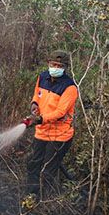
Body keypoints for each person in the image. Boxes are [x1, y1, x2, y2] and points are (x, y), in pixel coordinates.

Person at [23, 50, 78, 197]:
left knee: (48, 171)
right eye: (53, 64)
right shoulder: (42, 77)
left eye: (59, 65)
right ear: (48, 63)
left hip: (59, 136)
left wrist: (39, 119)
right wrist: (34, 104)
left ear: (65, 67)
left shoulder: (70, 88)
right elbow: (37, 94)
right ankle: (31, 196)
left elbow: (60, 112)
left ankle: (45, 202)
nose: (55, 67)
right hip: (41, 132)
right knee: (33, 163)